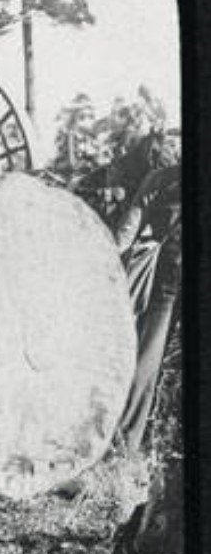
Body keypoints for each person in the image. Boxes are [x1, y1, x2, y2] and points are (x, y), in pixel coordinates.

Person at [113, 161, 181, 454]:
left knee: (144, 359)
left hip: (169, 275)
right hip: (171, 275)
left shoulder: (162, 178)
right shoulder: (161, 178)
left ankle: (125, 445)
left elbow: (126, 232)